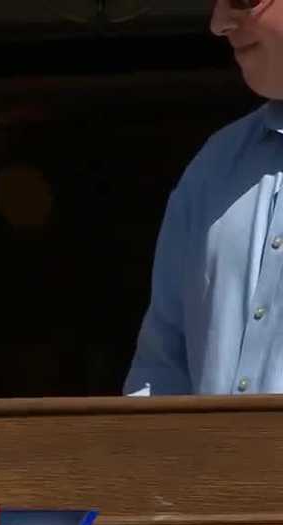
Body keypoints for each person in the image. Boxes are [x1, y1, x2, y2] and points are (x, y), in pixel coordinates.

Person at [125, 0, 283, 395]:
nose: (218, 24)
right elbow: (160, 373)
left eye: (244, 1)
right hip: (205, 459)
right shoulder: (213, 166)